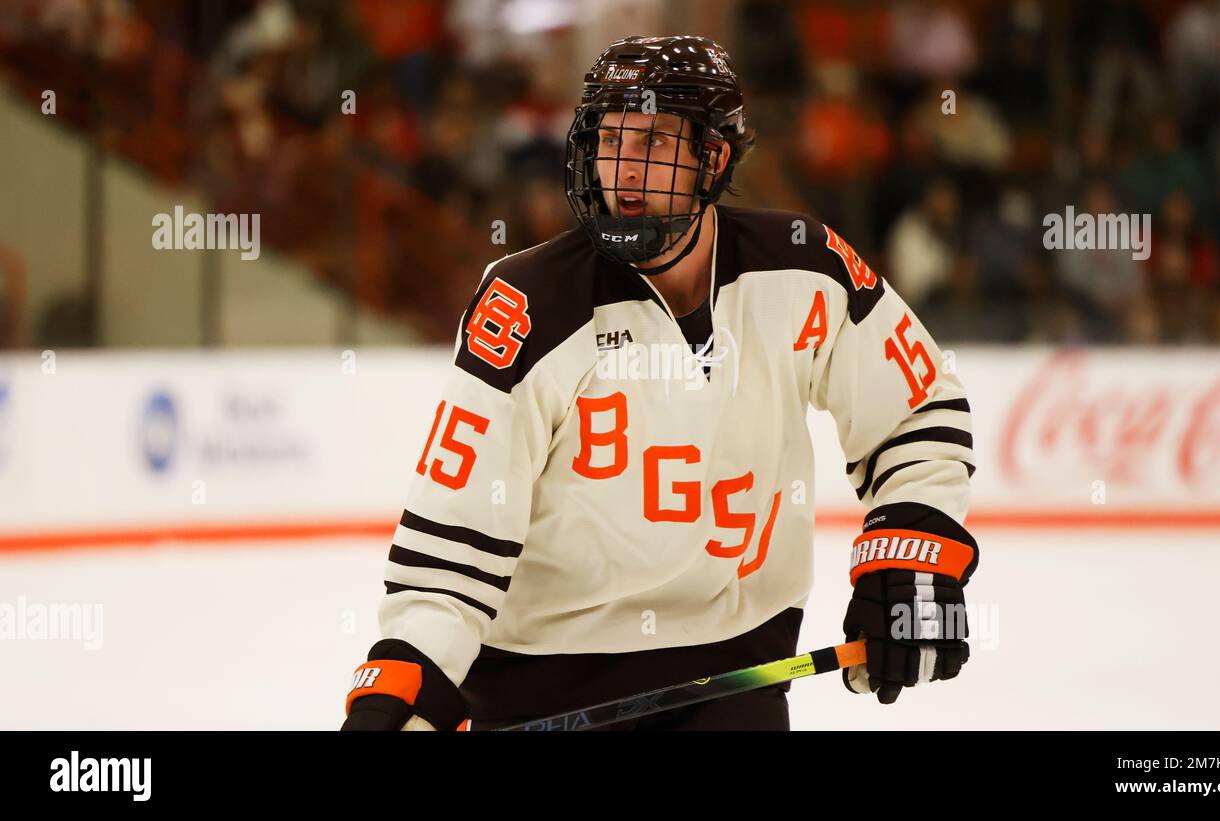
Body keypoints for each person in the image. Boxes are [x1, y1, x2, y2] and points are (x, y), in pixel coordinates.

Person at [341, 35, 979, 731]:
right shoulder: (527, 308)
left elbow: (918, 411)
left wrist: (911, 550)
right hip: (545, 698)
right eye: (612, 141)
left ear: (715, 157)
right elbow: (451, 547)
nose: (623, 169)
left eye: (651, 142)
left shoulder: (804, 270)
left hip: (737, 682)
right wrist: (401, 688)